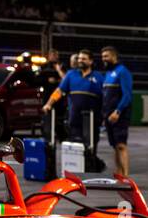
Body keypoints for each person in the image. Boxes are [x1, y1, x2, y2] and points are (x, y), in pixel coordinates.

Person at [46, 49, 102, 163]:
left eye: (84, 59)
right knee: (76, 146)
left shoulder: (99, 76)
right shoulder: (71, 74)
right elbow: (59, 91)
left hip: (92, 120)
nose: (80, 61)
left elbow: (104, 96)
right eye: (79, 58)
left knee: (91, 146)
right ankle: (77, 170)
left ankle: (91, 168)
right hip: (74, 118)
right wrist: (49, 104)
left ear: (91, 61)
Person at [100, 45, 133, 177]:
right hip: (108, 115)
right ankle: (119, 173)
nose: (104, 59)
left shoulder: (122, 71)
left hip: (120, 115)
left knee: (121, 145)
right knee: (114, 146)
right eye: (102, 56)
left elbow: (127, 95)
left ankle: (126, 176)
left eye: (106, 56)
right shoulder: (108, 73)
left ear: (114, 56)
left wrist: (117, 111)